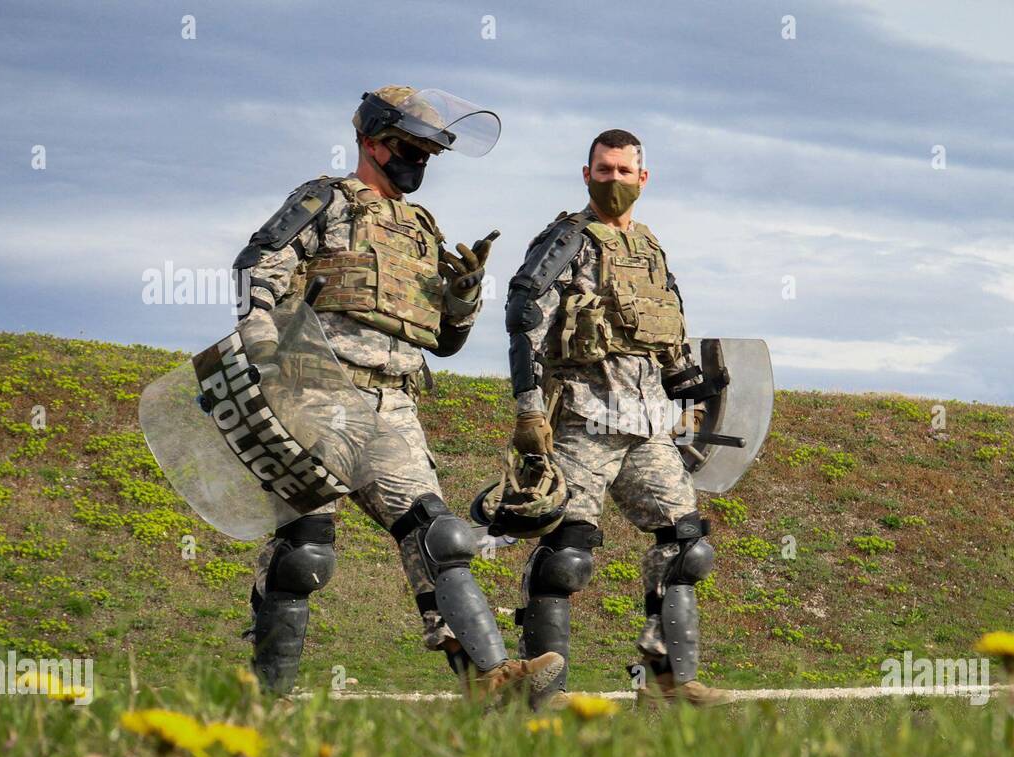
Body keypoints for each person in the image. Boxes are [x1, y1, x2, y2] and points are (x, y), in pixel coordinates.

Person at [232, 85, 562, 701]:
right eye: (409, 148)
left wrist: (464, 295)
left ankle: (490, 680)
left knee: (440, 536)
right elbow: (258, 267)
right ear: (371, 142)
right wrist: (262, 365)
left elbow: (445, 340)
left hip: (393, 404)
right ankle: (263, 704)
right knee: (304, 555)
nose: (419, 162)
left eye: (427, 154)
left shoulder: (421, 227)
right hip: (314, 391)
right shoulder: (326, 200)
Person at [503, 129, 729, 707]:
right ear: (586, 175)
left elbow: (669, 333)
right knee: (569, 554)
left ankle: (667, 678)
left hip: (649, 424)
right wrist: (529, 409)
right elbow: (525, 313)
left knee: (686, 545)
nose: (613, 182)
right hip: (583, 417)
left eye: (623, 172)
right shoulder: (567, 240)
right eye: (603, 172)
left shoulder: (651, 249)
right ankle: (545, 691)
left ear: (642, 178)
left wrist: (691, 389)